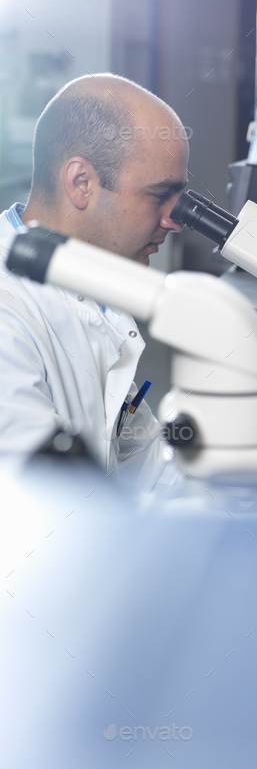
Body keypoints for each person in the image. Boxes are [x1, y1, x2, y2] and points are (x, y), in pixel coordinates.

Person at [0, 73, 190, 493]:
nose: (174, 221)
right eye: (159, 196)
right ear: (81, 183)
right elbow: (45, 500)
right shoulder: (8, 311)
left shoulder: (91, 287)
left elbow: (147, 465)